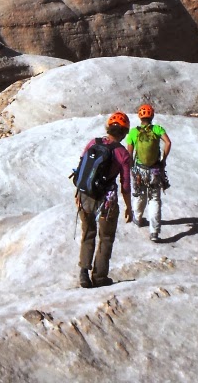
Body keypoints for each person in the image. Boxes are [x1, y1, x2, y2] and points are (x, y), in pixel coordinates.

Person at [75, 112, 133, 288]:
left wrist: (78, 192)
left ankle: (84, 273)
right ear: (124, 132)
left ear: (108, 128)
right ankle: (100, 277)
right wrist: (129, 207)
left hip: (86, 195)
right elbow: (125, 184)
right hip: (107, 200)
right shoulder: (122, 153)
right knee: (106, 237)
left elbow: (81, 167)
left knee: (87, 233)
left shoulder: (94, 143)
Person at [127, 103, 171, 242]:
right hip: (155, 170)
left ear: (140, 117)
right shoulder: (157, 129)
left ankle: (138, 218)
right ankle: (154, 232)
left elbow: (129, 153)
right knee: (155, 199)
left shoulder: (134, 132)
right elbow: (168, 143)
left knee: (140, 195)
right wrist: (163, 160)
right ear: (152, 116)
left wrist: (131, 168)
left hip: (140, 170)